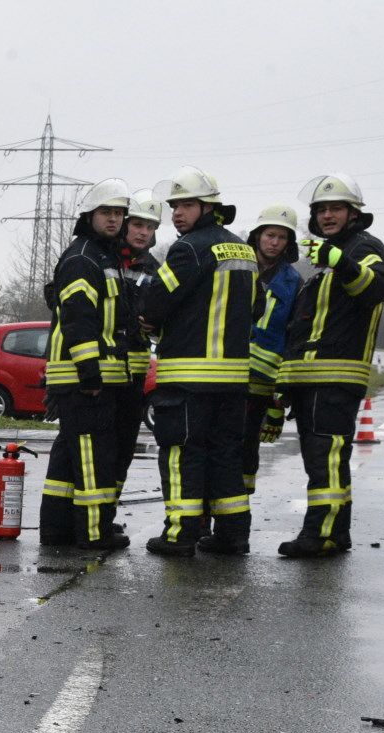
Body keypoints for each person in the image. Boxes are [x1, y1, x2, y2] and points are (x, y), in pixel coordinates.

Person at [136, 166, 258, 556]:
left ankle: (180, 534)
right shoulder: (244, 250)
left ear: (208, 207)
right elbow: (256, 307)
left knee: (181, 454)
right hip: (234, 380)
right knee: (225, 456)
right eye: (174, 206)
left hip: (188, 377)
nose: (177, 213)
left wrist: (150, 317)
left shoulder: (187, 249)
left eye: (186, 205)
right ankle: (233, 534)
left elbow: (156, 300)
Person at [276, 174, 384, 558]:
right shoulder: (327, 257)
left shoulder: (364, 248)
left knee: (324, 459)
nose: (327, 216)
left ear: (353, 213)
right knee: (325, 460)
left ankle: (319, 534)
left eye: (335, 208)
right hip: (313, 378)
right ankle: (336, 532)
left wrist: (341, 262)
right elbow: (303, 327)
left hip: (335, 376)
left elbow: (374, 288)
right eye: (322, 209)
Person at [37, 178, 133, 551]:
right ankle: (94, 533)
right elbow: (79, 320)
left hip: (87, 377)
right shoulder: (83, 258)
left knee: (68, 459)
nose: (113, 219)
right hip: (86, 380)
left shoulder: (102, 256)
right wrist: (90, 373)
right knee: (95, 457)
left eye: (119, 213)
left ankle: (57, 530)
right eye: (106, 212)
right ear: (89, 216)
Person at [243, 204, 302, 499]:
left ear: (288, 243)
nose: (274, 242)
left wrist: (279, 401)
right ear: (257, 235)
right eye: (269, 235)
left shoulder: (294, 283)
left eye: (281, 237)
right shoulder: (237, 267)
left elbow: (293, 340)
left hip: (261, 388)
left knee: (246, 450)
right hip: (224, 377)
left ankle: (235, 514)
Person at [113, 189, 163, 528]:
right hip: (101, 372)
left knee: (123, 448)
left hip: (134, 376)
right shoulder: (102, 257)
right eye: (138, 225)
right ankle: (86, 517)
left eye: (150, 227)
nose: (144, 232)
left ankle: (106, 511)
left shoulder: (156, 269)